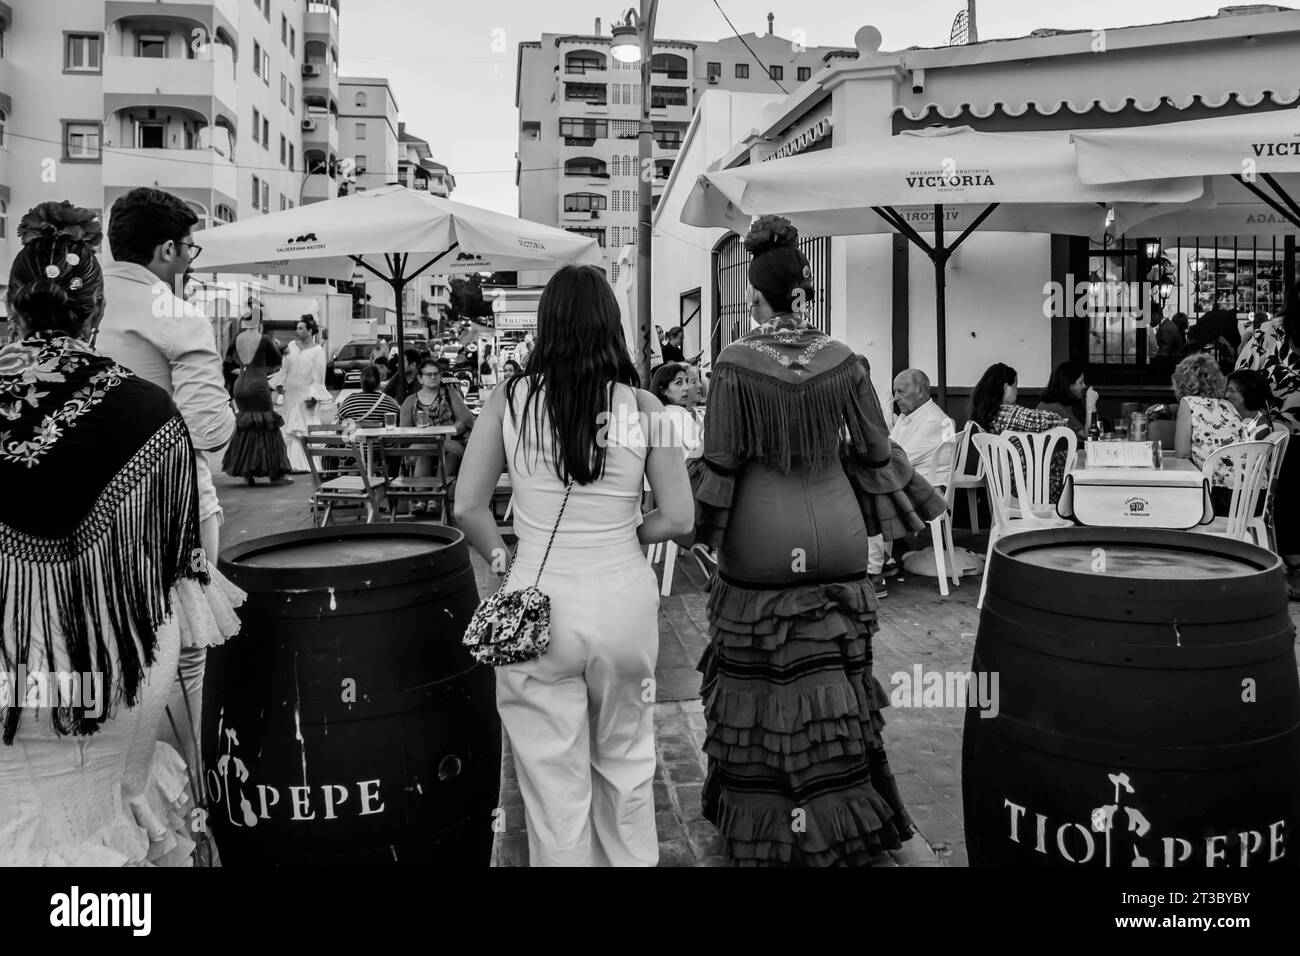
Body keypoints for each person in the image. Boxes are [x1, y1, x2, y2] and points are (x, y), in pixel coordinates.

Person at [690, 216, 945, 866]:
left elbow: (719, 460)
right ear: (808, 293)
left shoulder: (735, 361)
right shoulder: (845, 358)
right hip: (835, 537)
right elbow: (876, 449)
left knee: (762, 682)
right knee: (839, 679)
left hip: (760, 541)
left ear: (754, 297)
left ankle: (772, 825)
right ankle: (852, 815)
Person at [454, 264, 694, 866]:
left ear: (546, 325)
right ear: (611, 326)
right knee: (627, 759)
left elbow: (468, 506)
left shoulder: (509, 400)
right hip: (623, 603)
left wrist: (503, 557)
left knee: (551, 780)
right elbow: (681, 519)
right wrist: (626, 533)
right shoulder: (644, 405)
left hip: (536, 604)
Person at [0, 201, 208, 866]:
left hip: (8, 677)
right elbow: (173, 567)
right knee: (117, 830)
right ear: (95, 314)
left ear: (12, 306)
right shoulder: (149, 407)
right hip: (116, 668)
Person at [98, 188, 242, 772]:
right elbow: (209, 432)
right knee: (185, 650)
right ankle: (189, 784)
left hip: (85, 501)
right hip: (168, 497)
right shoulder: (175, 315)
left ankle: (121, 769)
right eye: (189, 247)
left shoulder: (82, 303)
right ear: (164, 249)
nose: (190, 259)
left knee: (110, 637)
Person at [867, 369, 954, 594]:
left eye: (901, 392)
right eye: (895, 391)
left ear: (921, 392)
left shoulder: (934, 420)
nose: (895, 397)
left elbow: (898, 458)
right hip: (910, 484)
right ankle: (881, 560)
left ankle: (875, 573)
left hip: (929, 493)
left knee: (873, 497)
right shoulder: (909, 416)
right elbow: (889, 451)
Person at [970, 362, 1071, 503]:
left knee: (1069, 458)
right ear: (1006, 387)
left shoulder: (989, 414)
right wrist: (1063, 420)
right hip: (1030, 484)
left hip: (1015, 480)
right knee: (1074, 475)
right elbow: (1051, 419)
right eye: (1015, 386)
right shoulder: (1006, 414)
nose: (1017, 391)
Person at [1256, 284, 1300, 579]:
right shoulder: (1269, 333)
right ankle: (1294, 565)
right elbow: (1246, 377)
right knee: (1287, 490)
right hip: (1282, 433)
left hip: (1283, 432)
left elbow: (1245, 374)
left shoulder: (1268, 332)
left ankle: (1294, 566)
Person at [1172, 353, 1252, 514]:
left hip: (1218, 497)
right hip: (1250, 496)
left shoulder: (1188, 403)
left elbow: (1182, 454)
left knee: (1172, 499)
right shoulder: (1228, 406)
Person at [222, 302, 293, 484]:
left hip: (240, 386)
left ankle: (247, 473)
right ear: (259, 320)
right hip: (258, 385)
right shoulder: (264, 340)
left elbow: (228, 361)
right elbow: (275, 361)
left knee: (247, 425)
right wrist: (279, 348)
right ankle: (275, 475)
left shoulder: (236, 338)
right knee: (267, 424)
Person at [399, 358, 475, 513]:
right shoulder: (410, 401)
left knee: (448, 454)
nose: (433, 377)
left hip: (450, 442)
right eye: (428, 374)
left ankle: (434, 498)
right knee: (426, 452)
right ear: (420, 378)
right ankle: (425, 499)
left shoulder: (450, 394)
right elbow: (403, 431)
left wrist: (454, 429)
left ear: (440, 376)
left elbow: (466, 419)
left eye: (436, 374)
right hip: (421, 445)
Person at [280, 316, 331, 473]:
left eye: (301, 328)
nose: (297, 331)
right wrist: (280, 384)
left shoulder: (318, 351)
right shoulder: (291, 346)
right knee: (289, 426)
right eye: (297, 328)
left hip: (307, 394)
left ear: (310, 331)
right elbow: (285, 367)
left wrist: (314, 396)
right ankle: (288, 462)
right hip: (291, 393)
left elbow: (319, 375)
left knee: (304, 427)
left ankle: (306, 463)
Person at [651, 362, 702, 460]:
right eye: (679, 383)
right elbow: (700, 449)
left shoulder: (653, 414)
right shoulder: (678, 413)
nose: (686, 387)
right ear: (663, 390)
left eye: (686, 381)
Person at [1037, 360, 1090, 437]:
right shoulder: (1053, 407)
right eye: (1080, 382)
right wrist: (1091, 405)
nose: (1084, 386)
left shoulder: (1070, 403)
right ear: (1068, 385)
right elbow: (1088, 435)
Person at [1225, 368, 1277, 439]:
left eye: (1232, 391)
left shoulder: (1261, 428)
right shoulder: (1231, 415)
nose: (1226, 395)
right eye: (1227, 390)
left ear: (1248, 395)